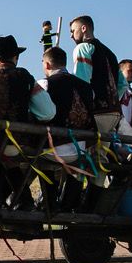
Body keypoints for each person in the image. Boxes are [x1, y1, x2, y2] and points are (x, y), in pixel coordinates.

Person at [0, 33, 56, 208]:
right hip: (15, 140)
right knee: (9, 156)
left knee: (1, 158)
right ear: (15, 56)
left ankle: (0, 201)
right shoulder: (24, 76)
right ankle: (21, 200)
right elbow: (47, 112)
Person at [37, 46, 96, 209]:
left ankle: (48, 202)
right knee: (77, 165)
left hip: (53, 149)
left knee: (34, 158)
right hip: (80, 149)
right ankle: (68, 204)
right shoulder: (87, 87)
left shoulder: (44, 84)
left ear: (47, 64)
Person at [69, 14, 127, 117]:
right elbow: (123, 84)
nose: (71, 35)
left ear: (83, 28)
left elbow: (81, 81)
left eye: (73, 31)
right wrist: (112, 101)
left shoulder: (83, 48)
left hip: (94, 111)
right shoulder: (111, 54)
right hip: (113, 113)